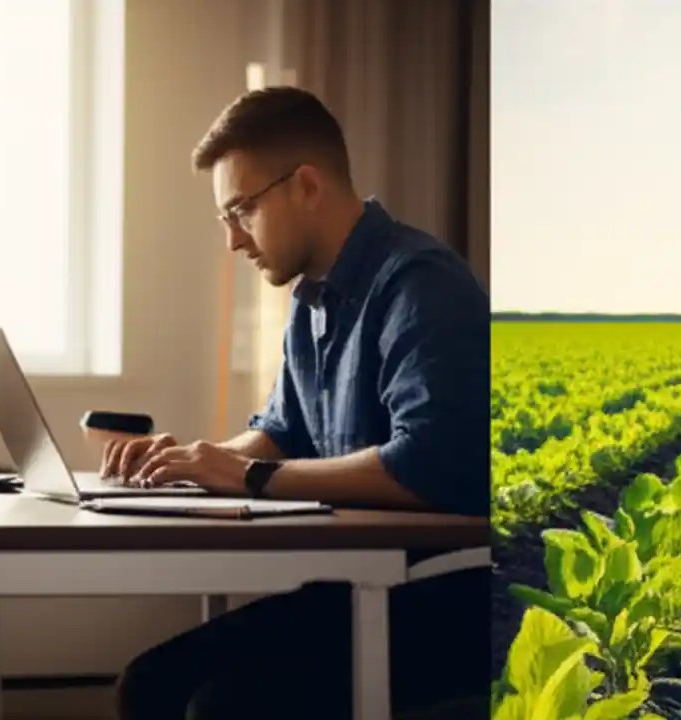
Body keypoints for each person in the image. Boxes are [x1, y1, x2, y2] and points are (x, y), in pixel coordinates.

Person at [103, 86, 490, 719]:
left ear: (305, 186)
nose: (232, 240)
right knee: (147, 685)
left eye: (241, 210)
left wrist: (246, 474)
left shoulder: (421, 284)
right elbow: (282, 433)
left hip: (447, 598)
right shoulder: (311, 299)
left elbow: (431, 464)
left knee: (221, 707)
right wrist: (187, 463)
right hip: (361, 587)